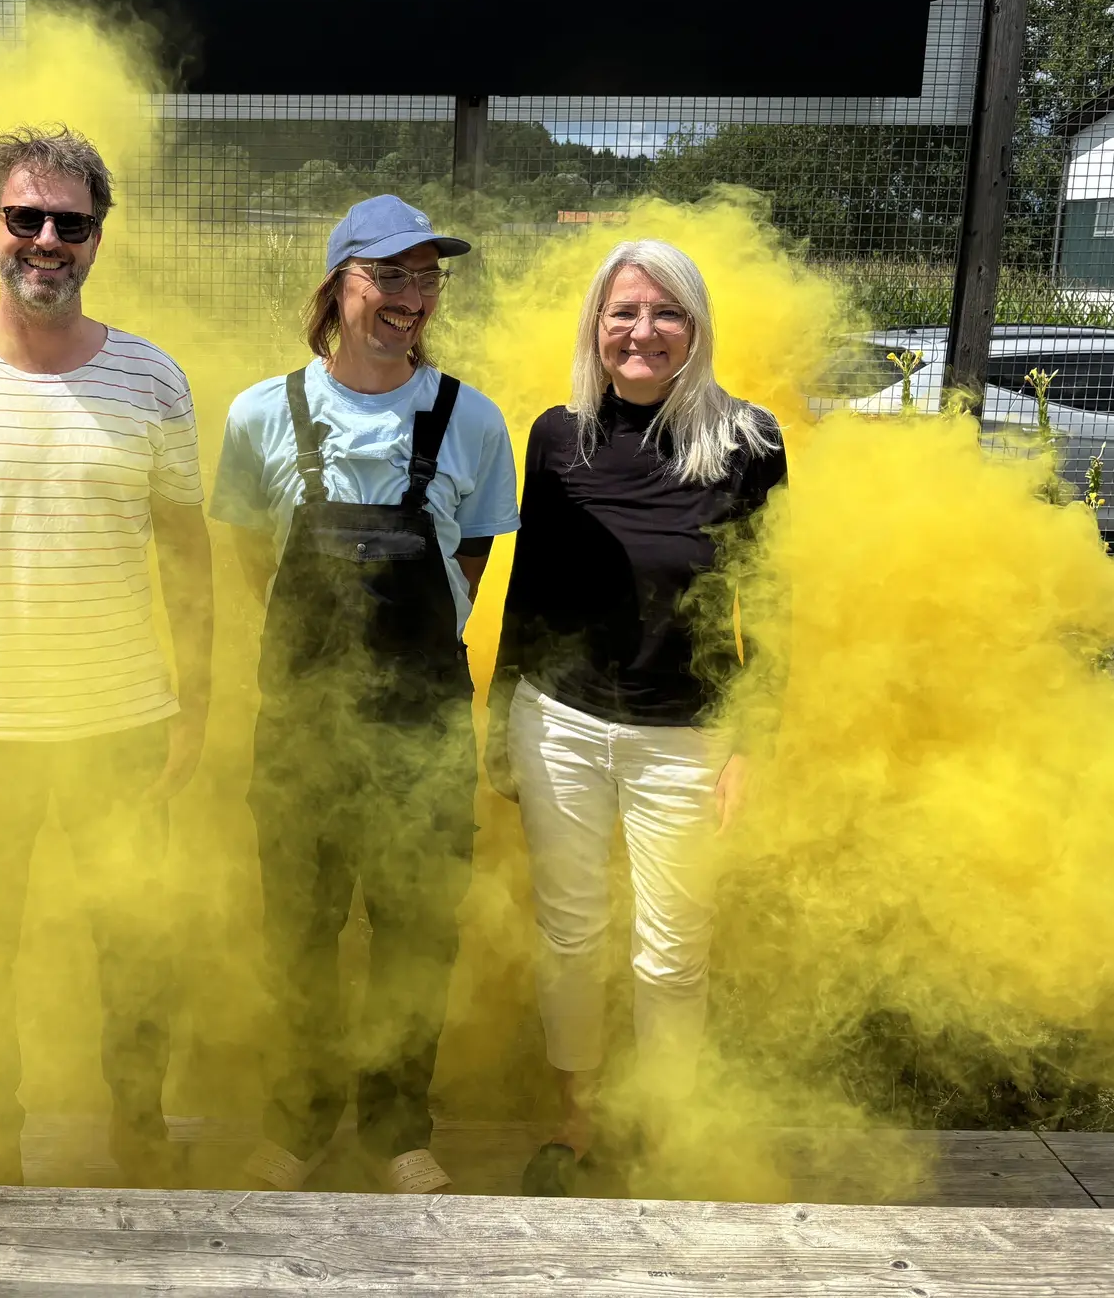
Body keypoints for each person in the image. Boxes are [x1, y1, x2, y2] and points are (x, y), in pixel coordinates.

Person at [0, 125, 214, 1190]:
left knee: (137, 950)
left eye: (71, 222)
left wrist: (193, 709)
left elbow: (186, 560)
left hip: (121, 721)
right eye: (27, 218)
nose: (47, 239)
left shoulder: (153, 380)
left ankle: (138, 1135)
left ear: (97, 240)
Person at [212, 195, 520, 1195]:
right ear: (337, 287)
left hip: (423, 735)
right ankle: (296, 1126)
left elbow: (467, 558)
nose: (410, 296)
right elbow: (247, 558)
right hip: (298, 735)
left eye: (425, 276)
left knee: (414, 941)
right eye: (388, 274)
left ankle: (398, 1134)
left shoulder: (471, 420)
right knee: (297, 938)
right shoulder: (260, 415)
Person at [487, 238, 787, 1196]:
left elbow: (773, 603)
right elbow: (526, 592)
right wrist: (500, 719)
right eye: (624, 313)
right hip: (559, 724)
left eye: (666, 314)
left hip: (686, 739)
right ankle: (577, 1121)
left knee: (670, 953)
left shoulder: (749, 439)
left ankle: (663, 1130)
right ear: (596, 325)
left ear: (695, 328)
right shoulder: (554, 435)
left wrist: (753, 745)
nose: (643, 332)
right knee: (570, 934)